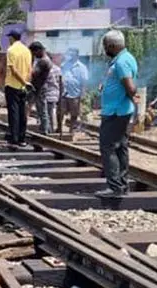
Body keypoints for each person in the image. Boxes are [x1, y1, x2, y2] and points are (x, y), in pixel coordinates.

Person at [95, 30, 138, 199]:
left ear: (112, 46)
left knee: (108, 147)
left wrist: (125, 97)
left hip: (116, 111)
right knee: (121, 147)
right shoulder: (124, 59)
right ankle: (122, 185)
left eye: (106, 46)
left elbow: (131, 88)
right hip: (119, 110)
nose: (105, 49)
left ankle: (114, 187)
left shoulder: (121, 62)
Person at [3, 30, 32, 147]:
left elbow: (13, 70)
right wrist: (26, 83)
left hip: (12, 85)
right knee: (22, 113)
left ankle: (14, 138)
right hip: (23, 87)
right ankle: (22, 138)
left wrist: (22, 82)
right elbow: (30, 70)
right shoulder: (27, 50)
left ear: (12, 38)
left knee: (13, 113)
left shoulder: (11, 50)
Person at [59, 48, 89, 133]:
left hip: (75, 93)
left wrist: (83, 94)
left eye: (73, 54)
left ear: (77, 55)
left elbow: (84, 81)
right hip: (64, 93)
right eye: (70, 54)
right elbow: (60, 76)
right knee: (61, 111)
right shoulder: (64, 64)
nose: (71, 55)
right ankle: (59, 128)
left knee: (74, 113)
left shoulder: (82, 67)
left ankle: (71, 129)